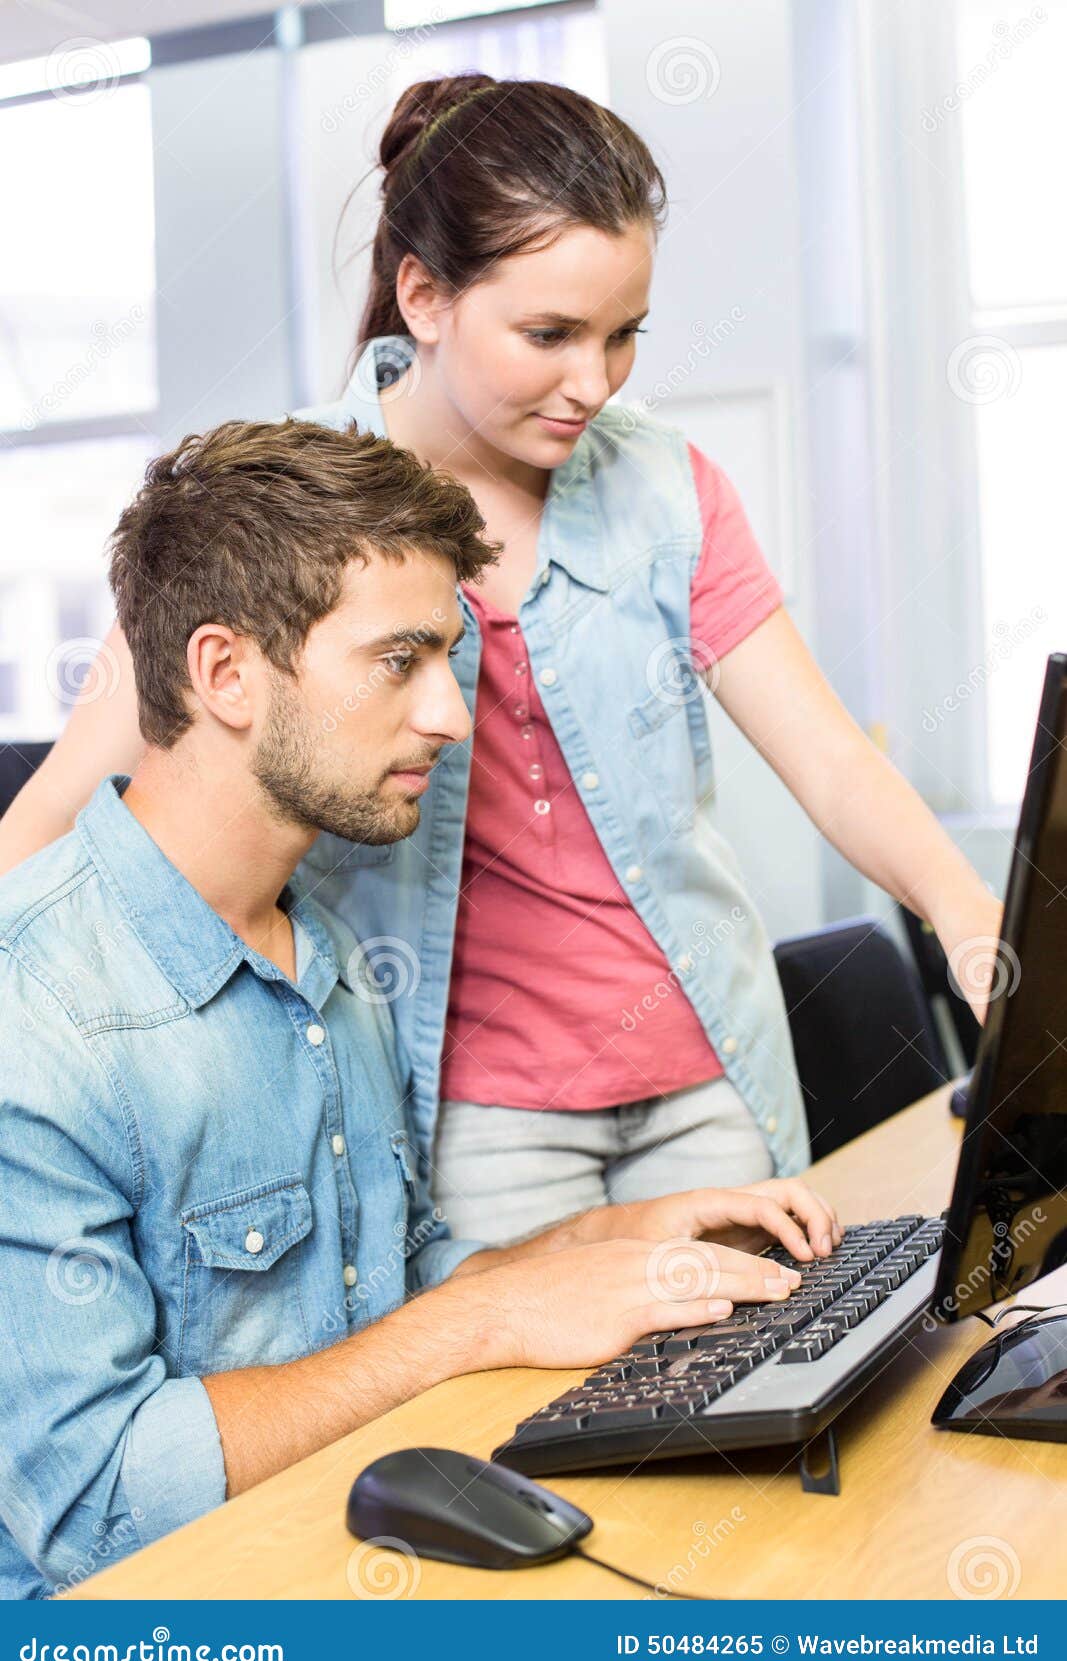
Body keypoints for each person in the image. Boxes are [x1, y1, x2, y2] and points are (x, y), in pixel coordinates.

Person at [0, 75, 1002, 1246]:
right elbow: (63, 807)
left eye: (623, 334)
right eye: (549, 336)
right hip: (470, 1112)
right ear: (421, 296)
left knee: (760, 1394)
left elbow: (829, 759)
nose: (594, 381)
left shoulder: (666, 491)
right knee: (522, 1420)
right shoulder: (277, 507)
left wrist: (963, 909)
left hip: (704, 1070)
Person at [0, 419, 841, 1599]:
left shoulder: (326, 949)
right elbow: (93, 1505)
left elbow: (390, 1279)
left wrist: (603, 1245)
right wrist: (479, 1323)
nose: (451, 716)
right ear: (225, 671)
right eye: (400, 660)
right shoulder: (32, 1017)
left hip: (339, 1560)